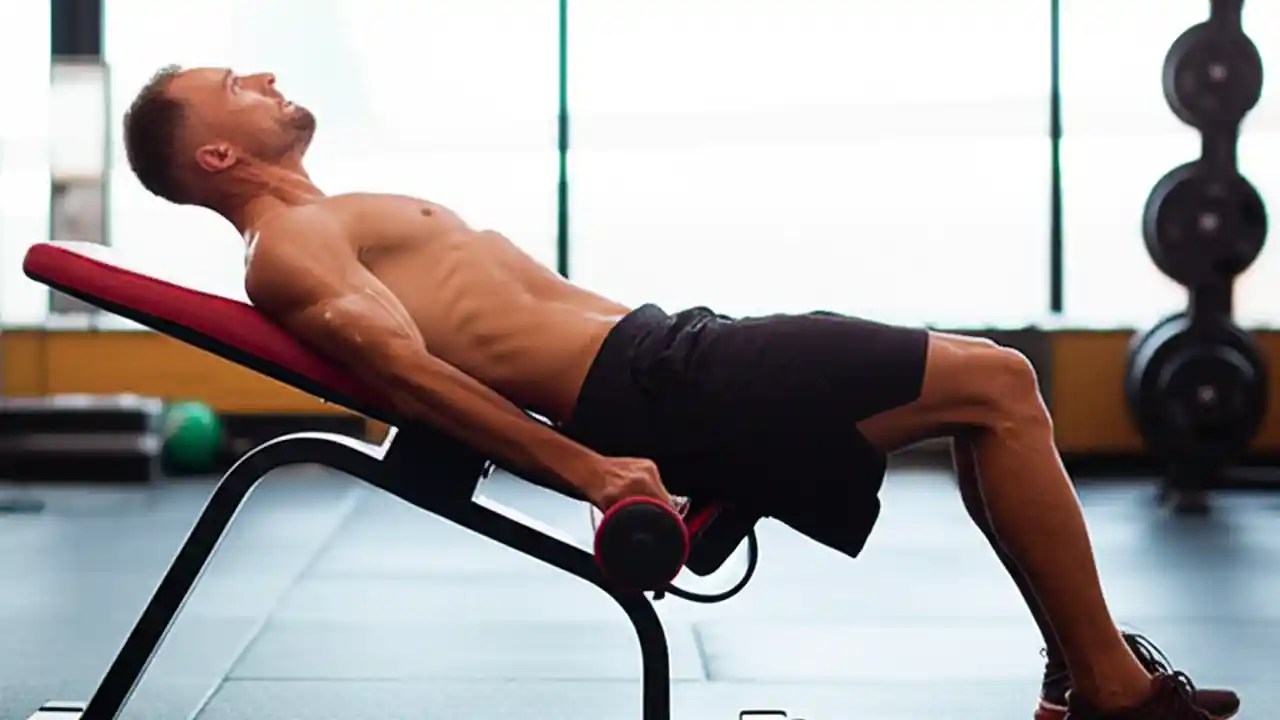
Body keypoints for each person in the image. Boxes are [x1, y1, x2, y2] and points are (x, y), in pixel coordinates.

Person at [121, 65, 1237, 720]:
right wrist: (594, 475)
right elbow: (408, 381)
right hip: (657, 391)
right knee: (997, 383)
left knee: (982, 399)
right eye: (236, 88)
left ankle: (1082, 673)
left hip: (670, 357)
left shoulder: (327, 219)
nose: (265, 79)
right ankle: (1106, 687)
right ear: (213, 157)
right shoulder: (289, 249)